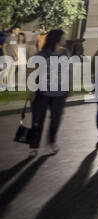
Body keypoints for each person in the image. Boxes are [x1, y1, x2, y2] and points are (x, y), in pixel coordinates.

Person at [26, 28, 70, 157]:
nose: (65, 39)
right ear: (57, 39)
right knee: (38, 121)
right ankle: (34, 147)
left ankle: (52, 142)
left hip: (60, 94)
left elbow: (69, 71)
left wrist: (69, 87)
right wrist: (31, 91)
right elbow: (32, 73)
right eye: (63, 37)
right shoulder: (42, 54)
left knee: (56, 119)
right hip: (42, 93)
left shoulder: (66, 53)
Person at [3, 26, 25, 91]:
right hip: (8, 57)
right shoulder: (8, 38)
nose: (18, 32)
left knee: (12, 72)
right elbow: (4, 47)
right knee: (6, 72)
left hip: (13, 58)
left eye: (19, 30)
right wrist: (5, 54)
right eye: (17, 30)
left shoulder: (16, 38)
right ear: (13, 30)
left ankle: (10, 86)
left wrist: (16, 55)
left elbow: (14, 48)